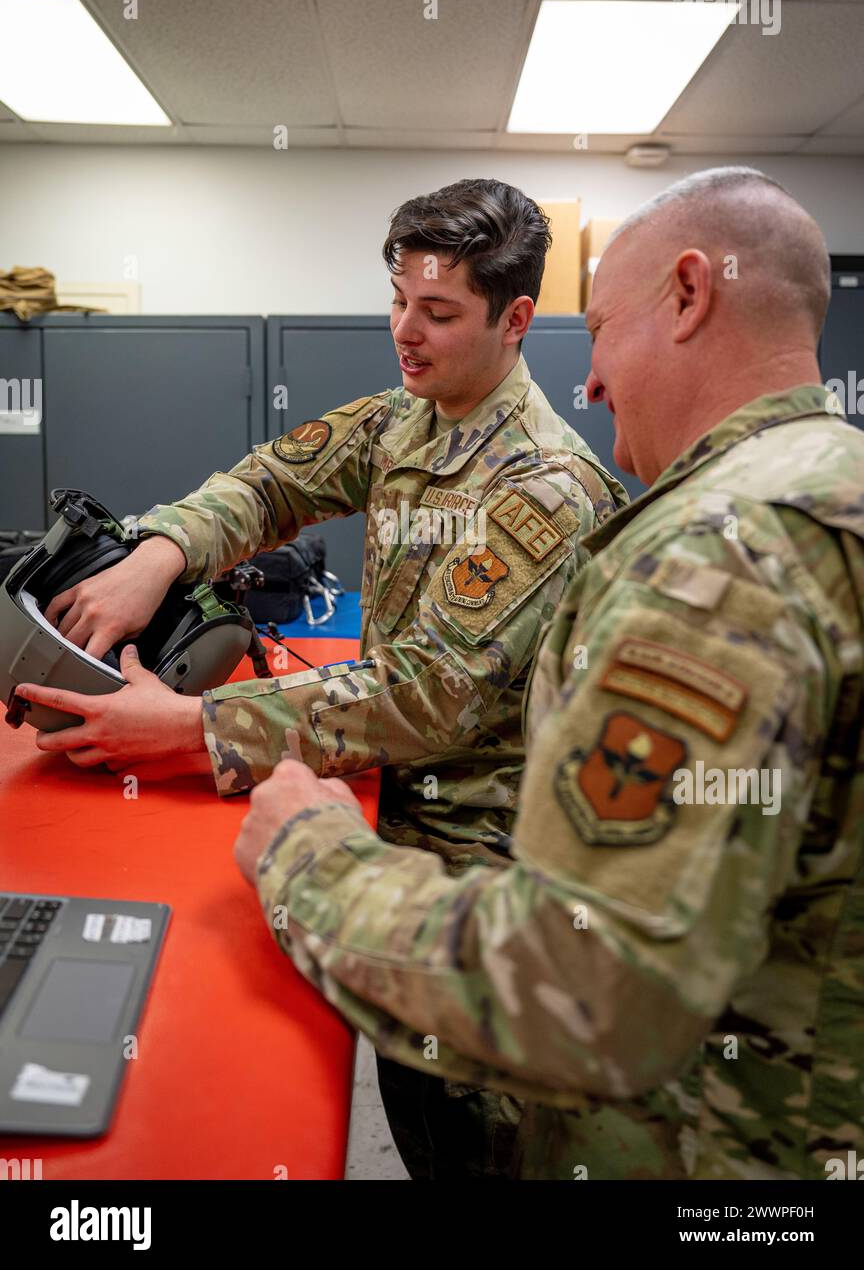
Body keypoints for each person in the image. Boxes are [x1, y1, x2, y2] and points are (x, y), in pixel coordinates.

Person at [233, 166, 864, 1180]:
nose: (595, 379)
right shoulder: (834, 491)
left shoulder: (719, 551)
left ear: (692, 293)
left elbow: (585, 989)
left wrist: (307, 859)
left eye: (605, 329)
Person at [17, 179, 626, 1170]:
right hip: (393, 843)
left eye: (437, 312)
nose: (405, 331)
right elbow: (276, 479)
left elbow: (421, 694)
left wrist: (188, 727)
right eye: (397, 299)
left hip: (470, 899)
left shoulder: (544, 488)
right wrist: (158, 552)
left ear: (516, 320)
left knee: (463, 1140)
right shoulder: (409, 422)